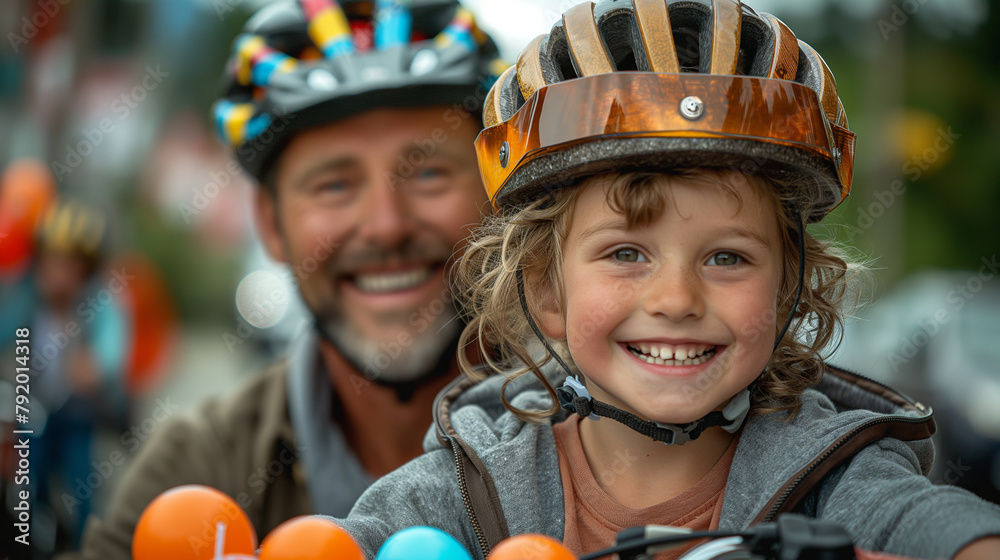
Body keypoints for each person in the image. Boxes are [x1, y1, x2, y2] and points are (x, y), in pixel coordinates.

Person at [329, 1, 1000, 558]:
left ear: (788, 285)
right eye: (626, 254)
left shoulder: (839, 474)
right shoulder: (464, 487)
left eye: (726, 258)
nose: (676, 300)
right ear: (546, 291)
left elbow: (941, 529)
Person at [70, 1, 502, 558]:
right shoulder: (193, 471)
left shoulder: (612, 428)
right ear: (270, 225)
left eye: (428, 172)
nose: (386, 226)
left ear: (496, 196)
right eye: (334, 184)